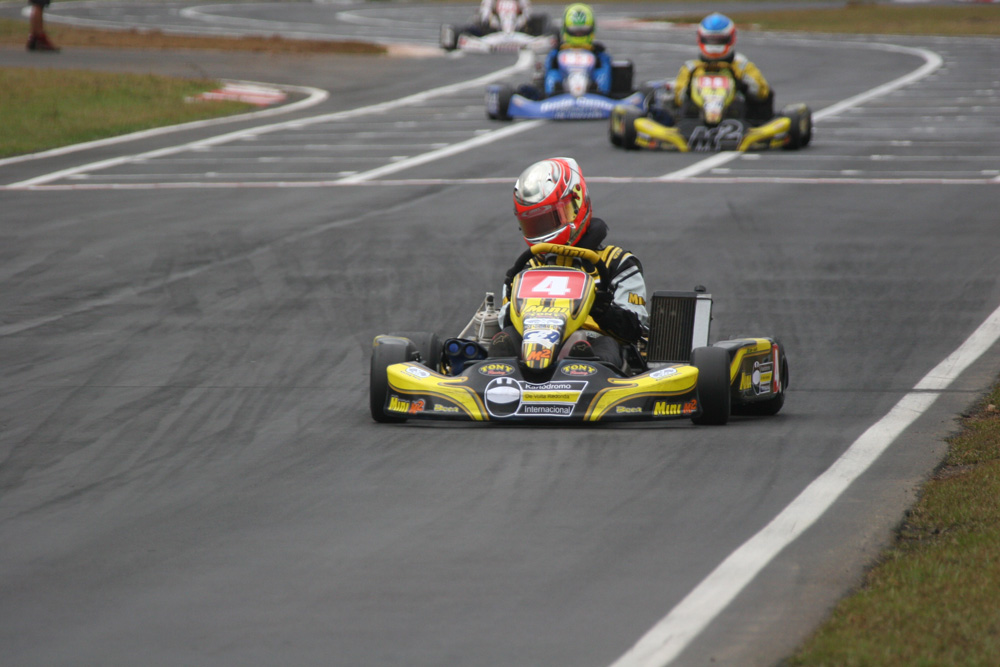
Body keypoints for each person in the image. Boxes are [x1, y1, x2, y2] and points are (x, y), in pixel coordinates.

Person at [489, 157, 648, 368]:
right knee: (507, 338)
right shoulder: (527, 268)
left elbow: (636, 329)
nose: (542, 232)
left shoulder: (616, 263)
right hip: (533, 342)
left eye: (549, 220)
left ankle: (583, 365)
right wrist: (515, 309)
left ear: (576, 204)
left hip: (593, 342)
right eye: (534, 225)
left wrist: (602, 310)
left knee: (601, 345)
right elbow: (504, 320)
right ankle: (499, 369)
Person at [674, 13, 771, 120]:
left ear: (731, 39)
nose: (714, 45)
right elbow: (679, 98)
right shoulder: (691, 68)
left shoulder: (742, 67)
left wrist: (743, 85)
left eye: (719, 40)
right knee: (686, 108)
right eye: (711, 40)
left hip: (736, 117)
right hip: (695, 117)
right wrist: (688, 91)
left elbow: (763, 93)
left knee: (740, 103)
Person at [540, 3, 612, 97]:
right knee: (553, 74)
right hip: (563, 84)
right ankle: (553, 95)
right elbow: (547, 66)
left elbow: (607, 64)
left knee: (601, 73)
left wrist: (600, 57)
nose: (578, 34)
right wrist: (553, 60)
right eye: (575, 31)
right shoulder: (558, 50)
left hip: (591, 84)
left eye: (582, 31)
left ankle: (600, 94)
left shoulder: (597, 51)